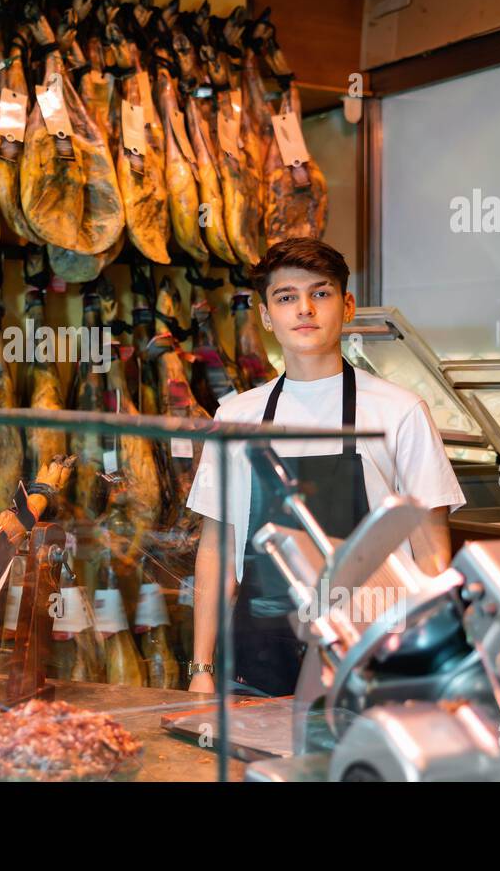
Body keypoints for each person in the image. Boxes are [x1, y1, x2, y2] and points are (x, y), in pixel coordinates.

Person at [185, 240, 465, 696]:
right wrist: (201, 666)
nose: (304, 309)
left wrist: (431, 660)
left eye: (320, 293)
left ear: (347, 306)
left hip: (372, 652)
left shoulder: (400, 411)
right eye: (286, 297)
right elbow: (216, 549)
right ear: (266, 316)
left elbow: (430, 550)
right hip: (257, 656)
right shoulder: (236, 416)